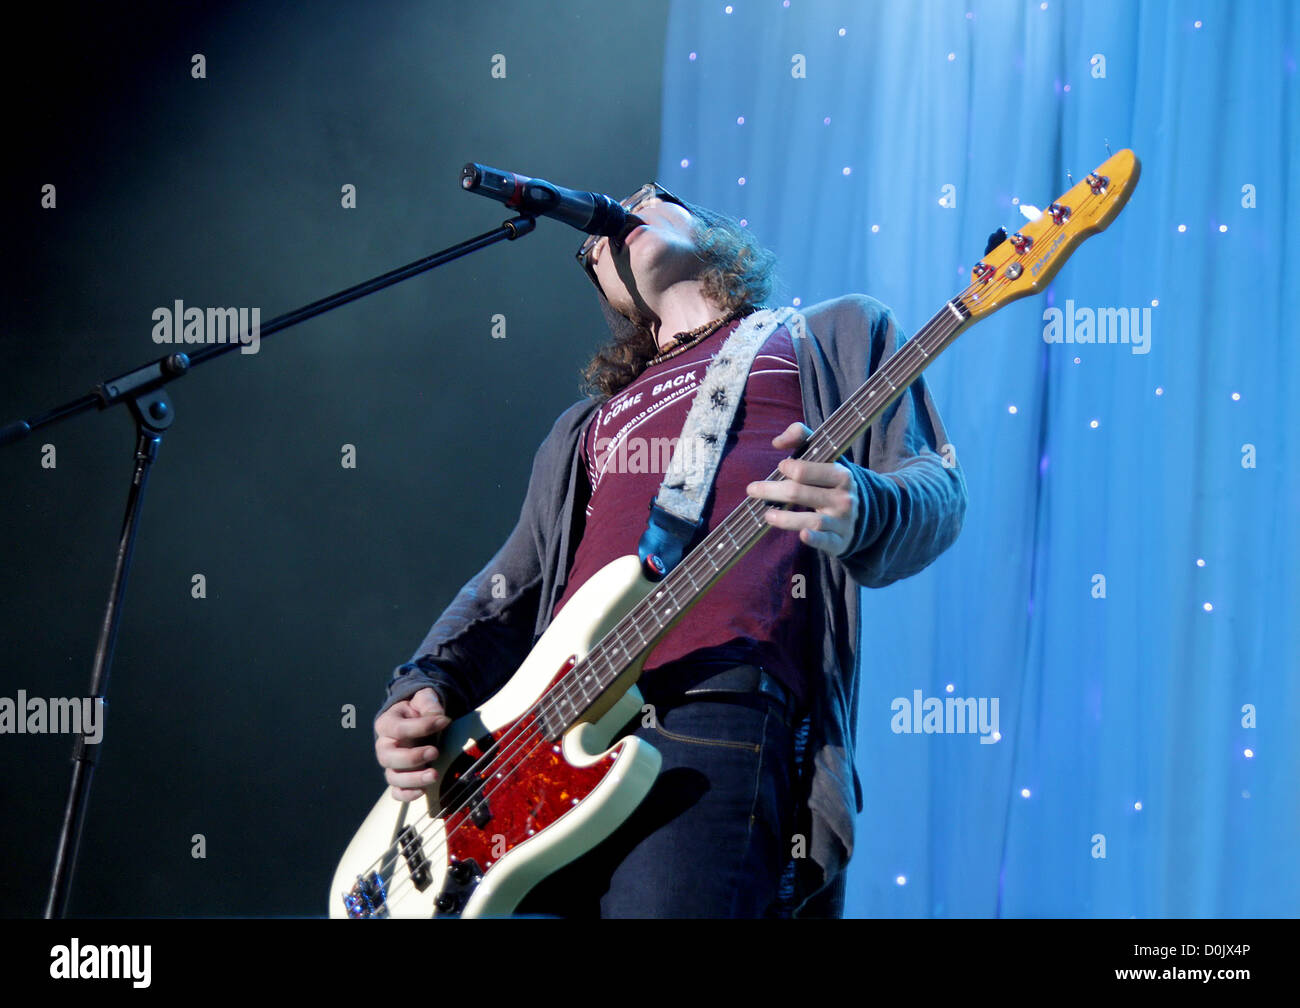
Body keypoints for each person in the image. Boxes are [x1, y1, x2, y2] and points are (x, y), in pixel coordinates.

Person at [372, 183, 967, 917]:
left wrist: (865, 503)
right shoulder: (584, 427)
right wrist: (424, 683)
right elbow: (510, 583)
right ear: (609, 293)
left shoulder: (827, 333)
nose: (612, 228)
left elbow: (937, 487)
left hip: (709, 710)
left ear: (708, 227)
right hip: (539, 751)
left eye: (644, 199)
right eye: (593, 247)